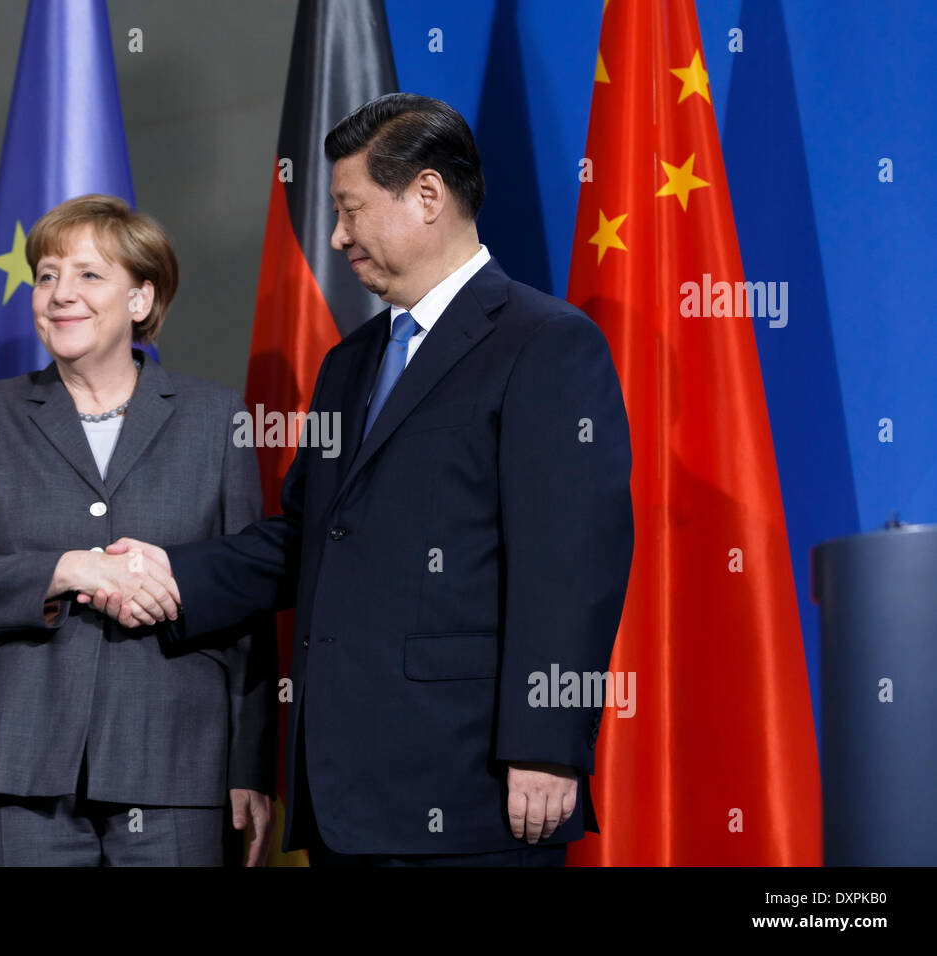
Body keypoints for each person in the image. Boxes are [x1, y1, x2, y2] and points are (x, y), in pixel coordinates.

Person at [91, 94, 635, 866]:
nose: (338, 235)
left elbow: (573, 563)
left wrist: (547, 745)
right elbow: (307, 539)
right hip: (344, 791)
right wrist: (168, 571)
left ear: (426, 197)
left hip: (471, 784)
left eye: (349, 209)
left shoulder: (544, 343)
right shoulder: (350, 363)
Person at [0, 194, 277, 867]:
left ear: (141, 300)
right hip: (15, 770)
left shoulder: (214, 416)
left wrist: (249, 763)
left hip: (174, 767)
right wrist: (70, 569)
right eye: (46, 275)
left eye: (87, 275)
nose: (58, 294)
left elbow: (246, 598)